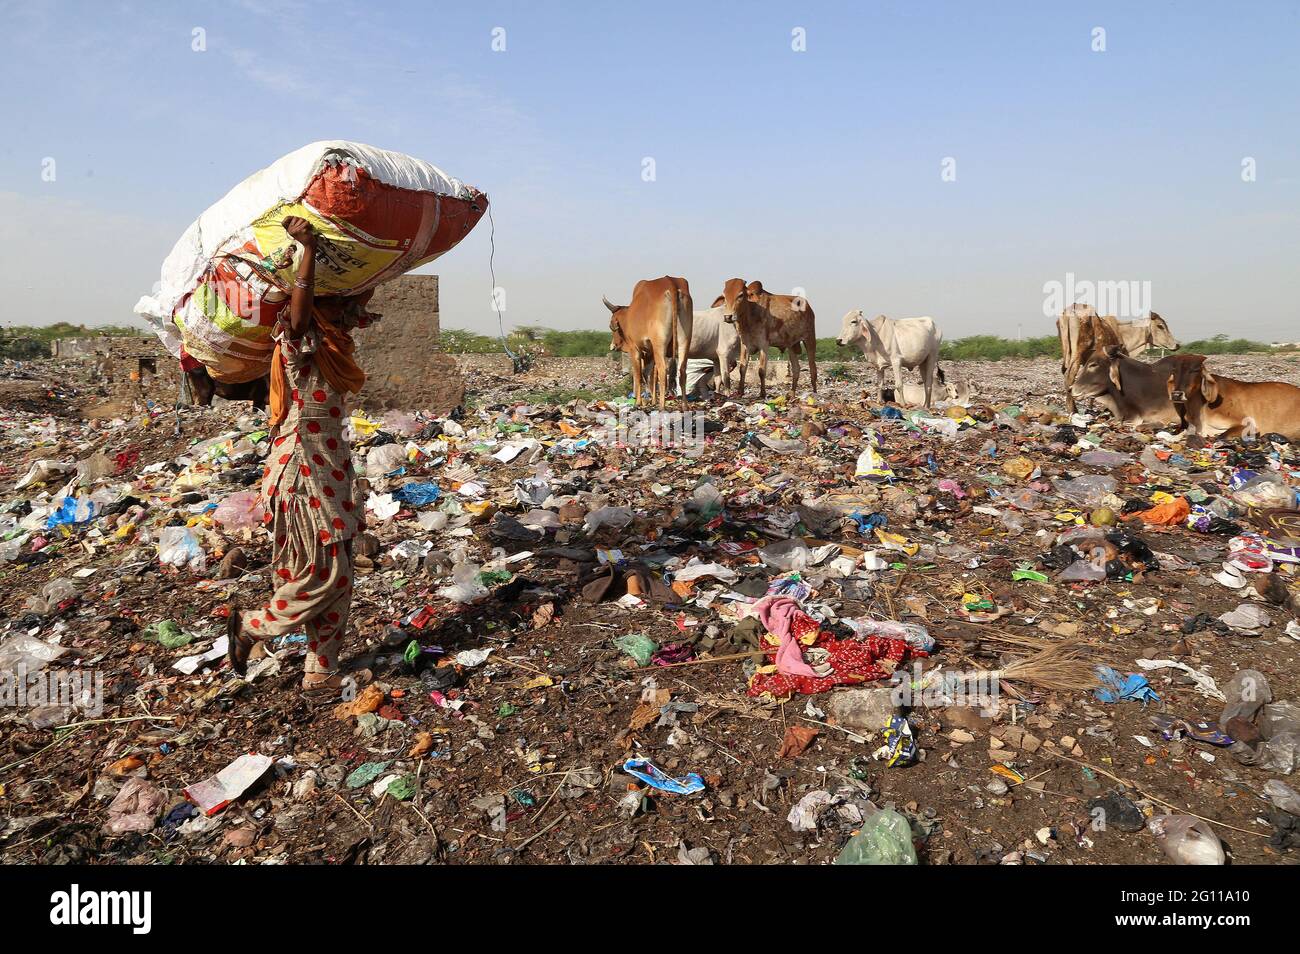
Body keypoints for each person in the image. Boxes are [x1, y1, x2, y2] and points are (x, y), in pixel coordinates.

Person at [227, 216, 375, 693]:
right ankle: (253, 626)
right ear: (324, 312)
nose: (359, 312)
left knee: (338, 574)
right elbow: (300, 310)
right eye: (348, 306)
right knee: (323, 572)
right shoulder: (302, 343)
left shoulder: (337, 351)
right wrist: (307, 250)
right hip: (303, 471)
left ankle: (321, 670)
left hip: (329, 468)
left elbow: (362, 293)